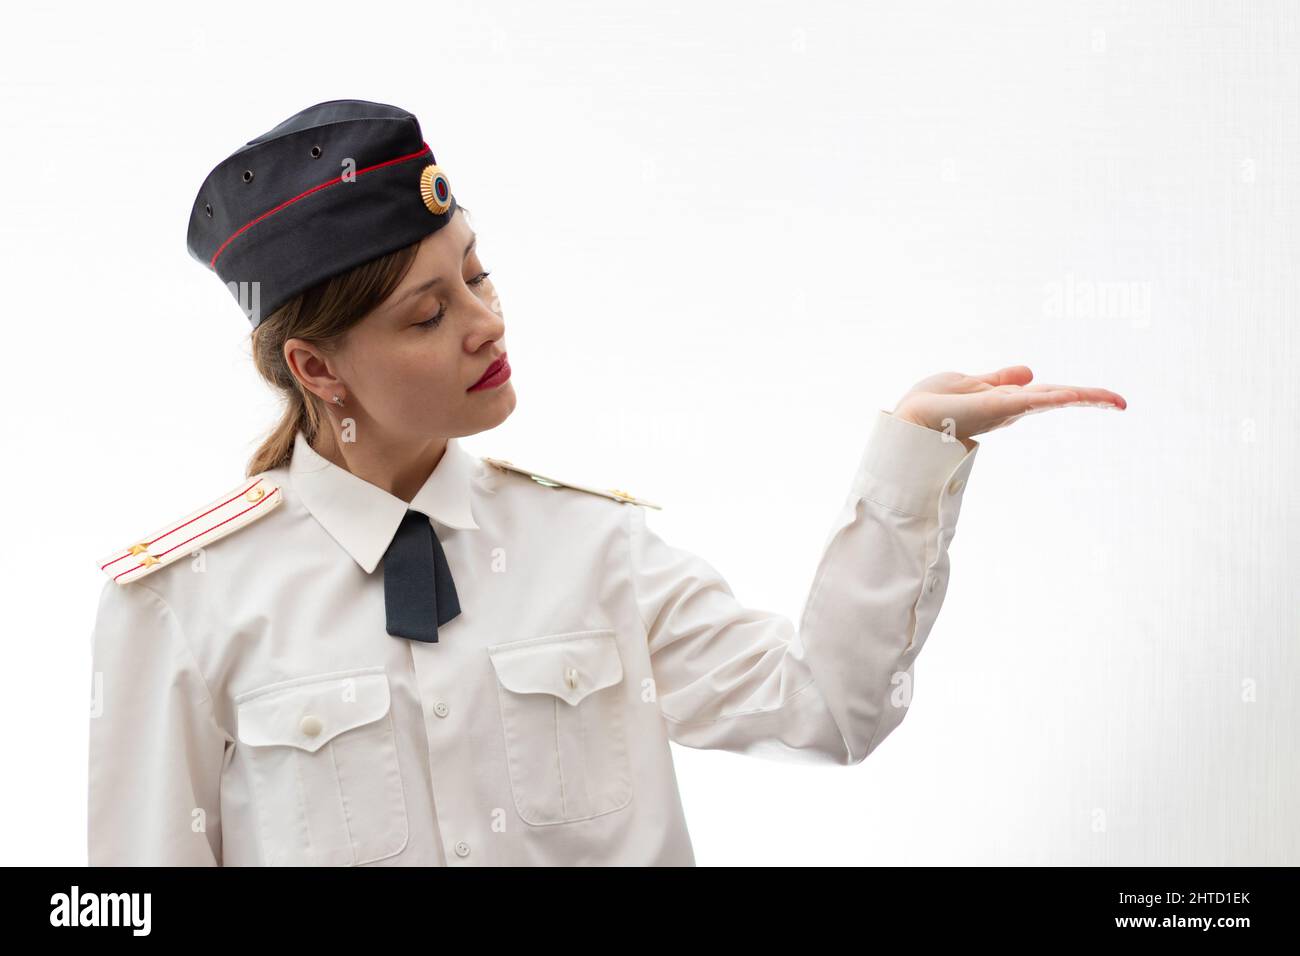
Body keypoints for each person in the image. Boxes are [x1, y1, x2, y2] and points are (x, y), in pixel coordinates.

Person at [87, 98, 1127, 867]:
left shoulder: (592, 551)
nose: (485, 323)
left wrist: (915, 451)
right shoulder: (182, 603)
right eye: (425, 313)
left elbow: (828, 708)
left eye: (477, 275)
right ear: (316, 367)